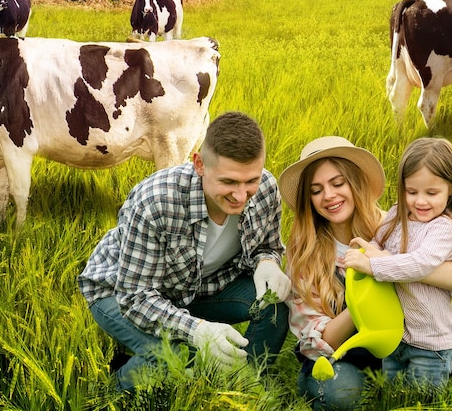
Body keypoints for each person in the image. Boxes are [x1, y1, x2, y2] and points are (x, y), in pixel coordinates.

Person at [78, 111, 292, 390]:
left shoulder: (266, 188)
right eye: (228, 182)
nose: (241, 195)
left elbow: (267, 245)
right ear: (200, 164)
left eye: (250, 180)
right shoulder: (155, 201)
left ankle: (242, 387)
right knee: (178, 356)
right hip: (119, 292)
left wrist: (268, 262)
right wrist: (199, 331)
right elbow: (135, 298)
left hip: (201, 287)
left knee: (276, 303)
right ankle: (108, 393)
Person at [279, 136, 452, 411]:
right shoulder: (304, 254)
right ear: (309, 198)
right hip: (343, 356)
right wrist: (365, 298)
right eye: (317, 190)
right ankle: (364, 391)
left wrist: (390, 264)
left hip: (400, 342)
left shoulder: (391, 226)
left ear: (356, 183)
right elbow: (316, 342)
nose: (329, 195)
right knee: (338, 395)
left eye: (338, 183)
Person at [343, 136, 452, 389]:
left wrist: (373, 265)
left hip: (430, 343)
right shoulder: (397, 214)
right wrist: (365, 249)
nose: (420, 201)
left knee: (421, 402)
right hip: (397, 335)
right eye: (411, 191)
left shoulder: (443, 228)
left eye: (432, 192)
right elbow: (379, 244)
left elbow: (420, 264)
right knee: (395, 400)